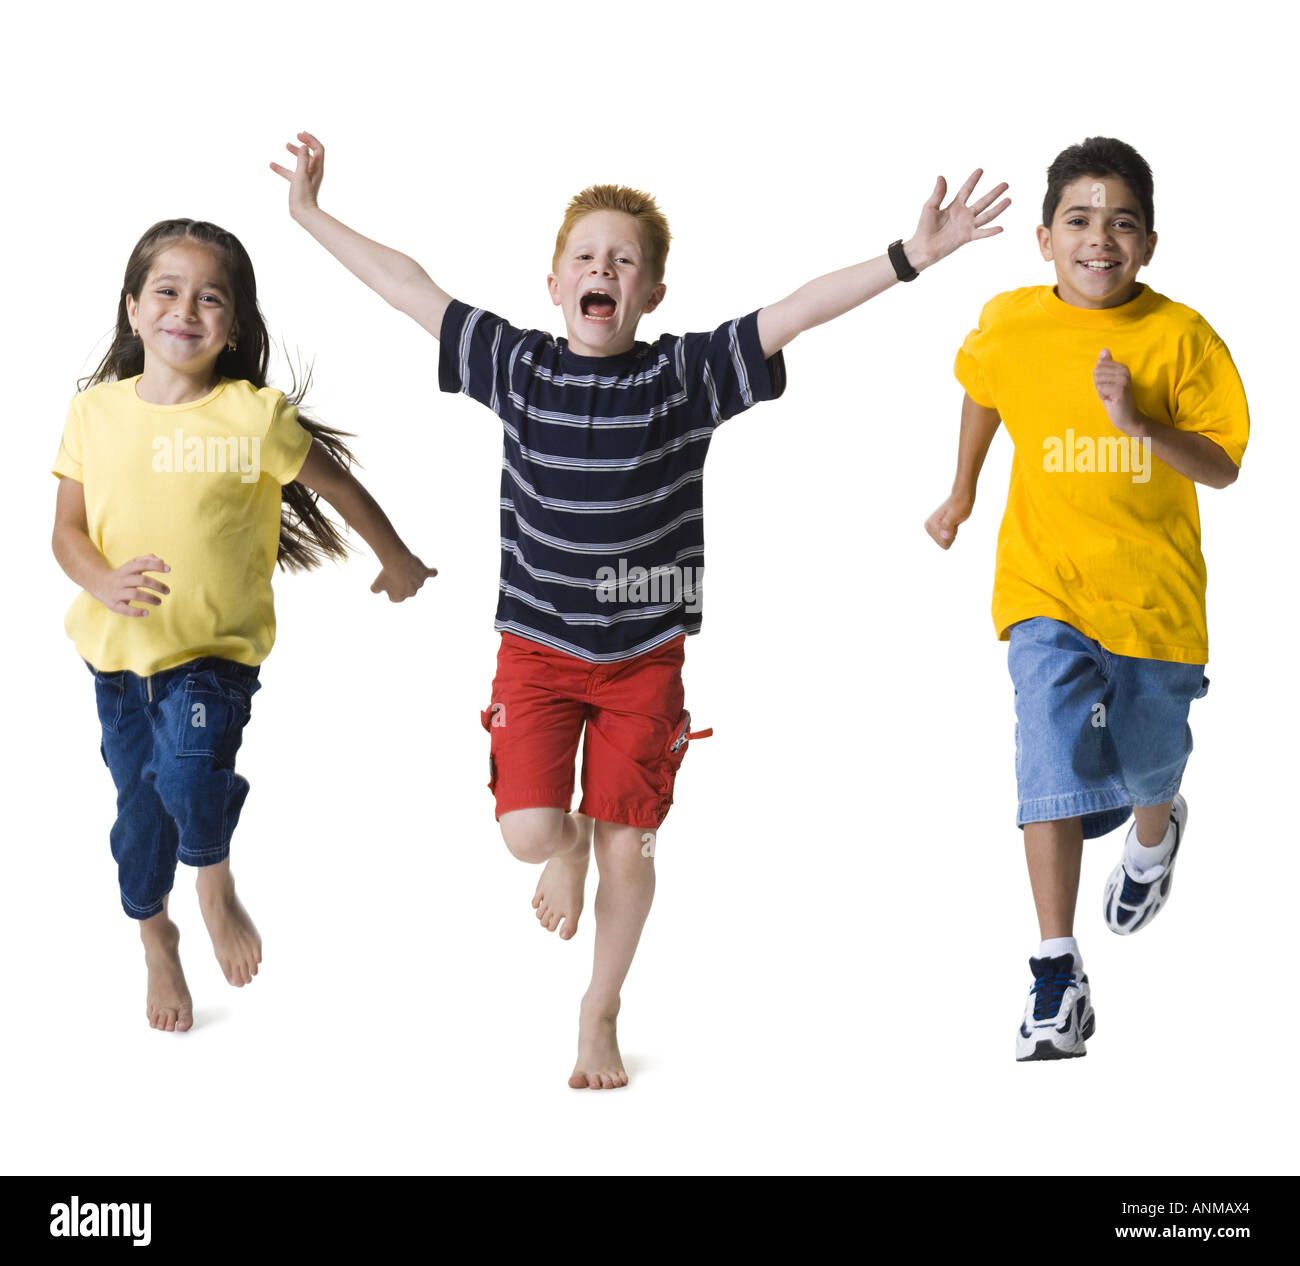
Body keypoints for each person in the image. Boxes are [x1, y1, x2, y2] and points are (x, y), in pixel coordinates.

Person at [273, 130, 1008, 1087]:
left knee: (634, 842)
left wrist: (911, 258)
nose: (603, 269)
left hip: (644, 659)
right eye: (585, 256)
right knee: (531, 833)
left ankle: (600, 1006)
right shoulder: (519, 367)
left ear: (651, 294)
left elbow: (795, 313)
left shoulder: (684, 378)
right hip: (537, 648)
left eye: (625, 261)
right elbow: (411, 288)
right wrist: (311, 214)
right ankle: (563, 845)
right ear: (553, 282)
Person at [51, 218, 437, 1033]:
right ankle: (156, 934)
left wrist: (395, 557)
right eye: (166, 290)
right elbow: (66, 532)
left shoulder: (251, 416)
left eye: (209, 298)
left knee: (191, 779)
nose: (184, 309)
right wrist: (103, 580)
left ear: (234, 326)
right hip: (118, 663)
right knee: (138, 822)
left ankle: (215, 883)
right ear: (131, 309)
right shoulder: (94, 415)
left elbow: (339, 489)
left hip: (213, 657)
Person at [924, 137, 1249, 1061]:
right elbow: (984, 388)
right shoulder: (1011, 322)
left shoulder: (1181, 338)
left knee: (1150, 764)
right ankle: (1056, 975)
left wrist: (1140, 423)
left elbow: (1223, 467)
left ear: (1147, 243)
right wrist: (962, 493)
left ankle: (1154, 835)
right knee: (1049, 751)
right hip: (1043, 590)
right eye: (1078, 219)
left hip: (1154, 604)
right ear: (1042, 237)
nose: (1098, 238)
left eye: (1121, 223)